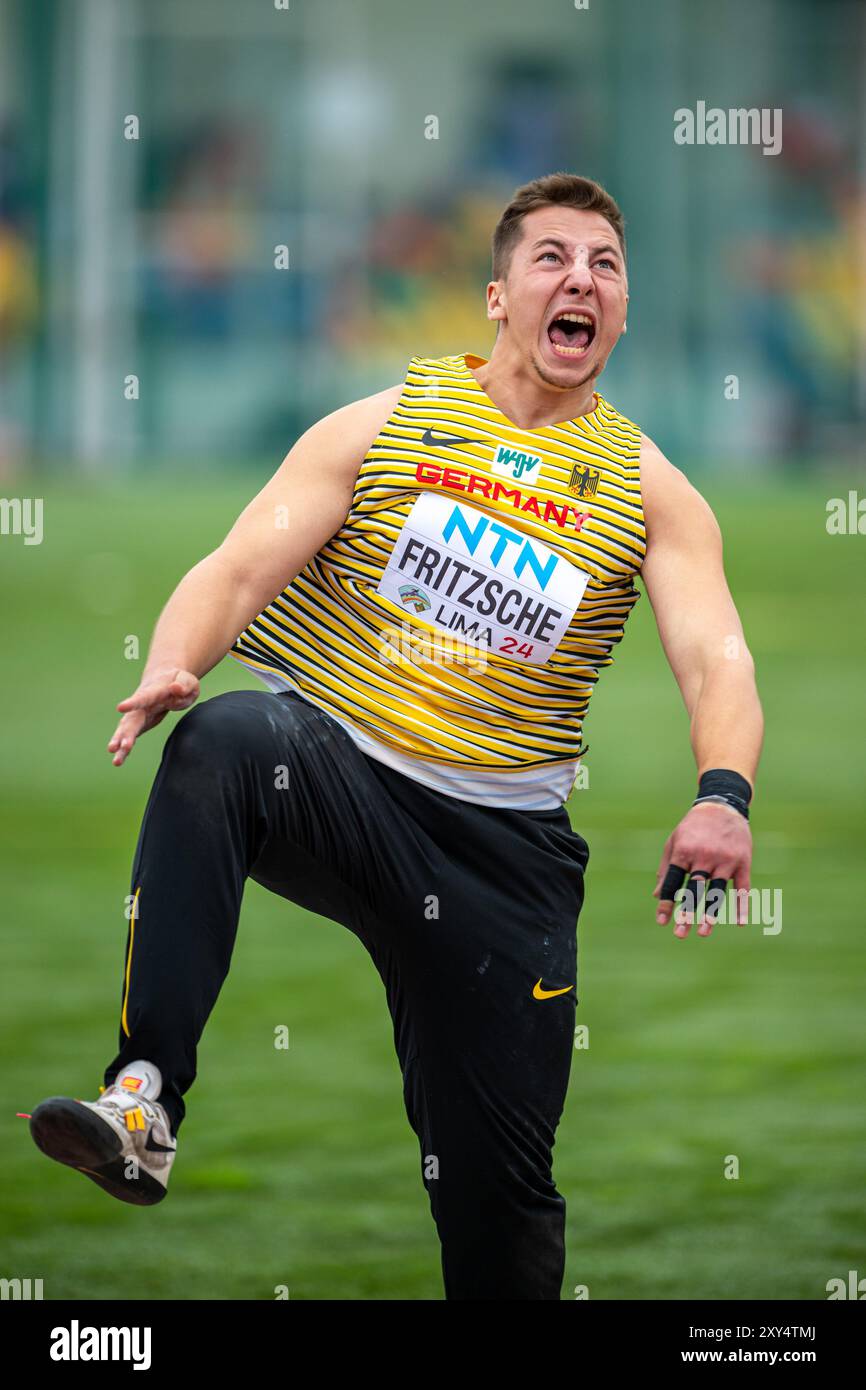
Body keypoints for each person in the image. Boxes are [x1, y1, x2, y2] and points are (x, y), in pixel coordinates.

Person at [28, 173, 763, 1300]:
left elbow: (714, 657)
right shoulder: (384, 423)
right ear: (497, 295)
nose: (581, 280)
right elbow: (235, 566)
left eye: (605, 266)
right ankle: (143, 1100)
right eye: (552, 259)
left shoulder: (650, 489)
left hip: (502, 860)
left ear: (619, 312)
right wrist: (176, 655)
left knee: (499, 1208)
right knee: (224, 740)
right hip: (341, 783)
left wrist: (722, 793)